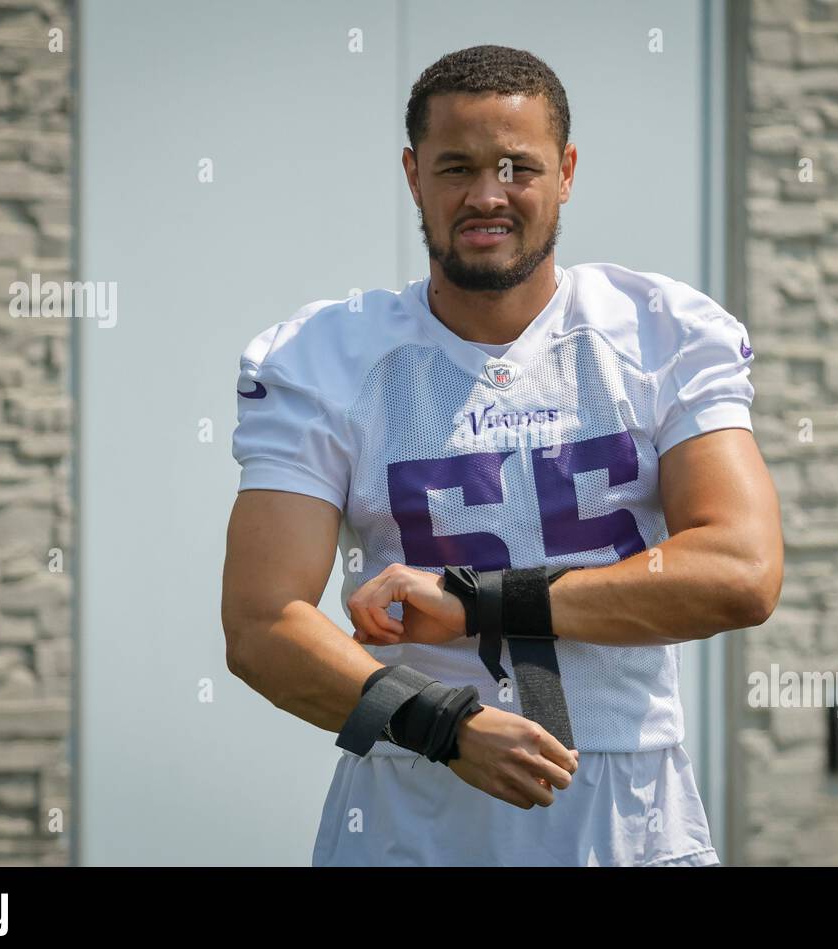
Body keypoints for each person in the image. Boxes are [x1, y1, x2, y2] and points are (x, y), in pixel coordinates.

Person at [221, 44, 783, 866]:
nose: (488, 194)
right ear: (414, 176)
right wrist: (445, 725)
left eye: (518, 166)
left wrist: (480, 602)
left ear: (567, 171)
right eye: (457, 168)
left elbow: (741, 572)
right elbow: (262, 623)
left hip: (625, 813)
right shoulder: (326, 355)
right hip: (412, 805)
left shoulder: (658, 329)